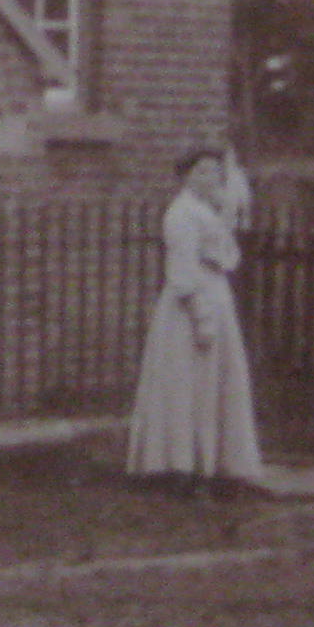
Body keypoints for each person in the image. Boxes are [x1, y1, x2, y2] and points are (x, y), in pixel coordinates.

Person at [128, 147, 264, 487]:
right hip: (190, 307)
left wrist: (228, 206)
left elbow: (226, 252)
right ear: (185, 175)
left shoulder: (206, 210)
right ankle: (180, 465)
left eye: (214, 172)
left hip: (216, 293)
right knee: (187, 383)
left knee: (215, 381)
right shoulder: (180, 213)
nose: (209, 178)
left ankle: (214, 463)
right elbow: (182, 269)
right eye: (201, 172)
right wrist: (201, 316)